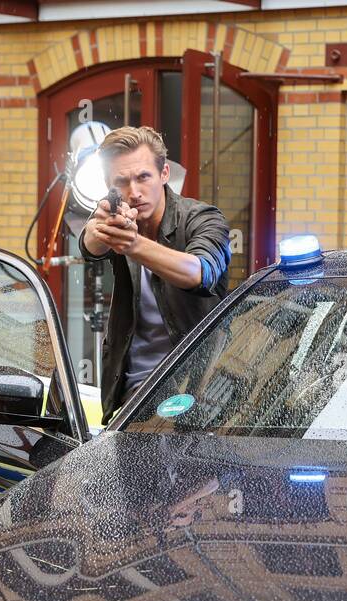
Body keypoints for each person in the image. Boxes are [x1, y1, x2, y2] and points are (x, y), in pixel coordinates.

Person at [79, 126, 232, 423]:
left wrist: (134, 245)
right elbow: (89, 245)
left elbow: (200, 272)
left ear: (164, 174)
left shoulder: (202, 218)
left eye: (143, 177)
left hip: (197, 390)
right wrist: (99, 232)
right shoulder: (117, 216)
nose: (134, 192)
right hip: (132, 395)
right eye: (121, 182)